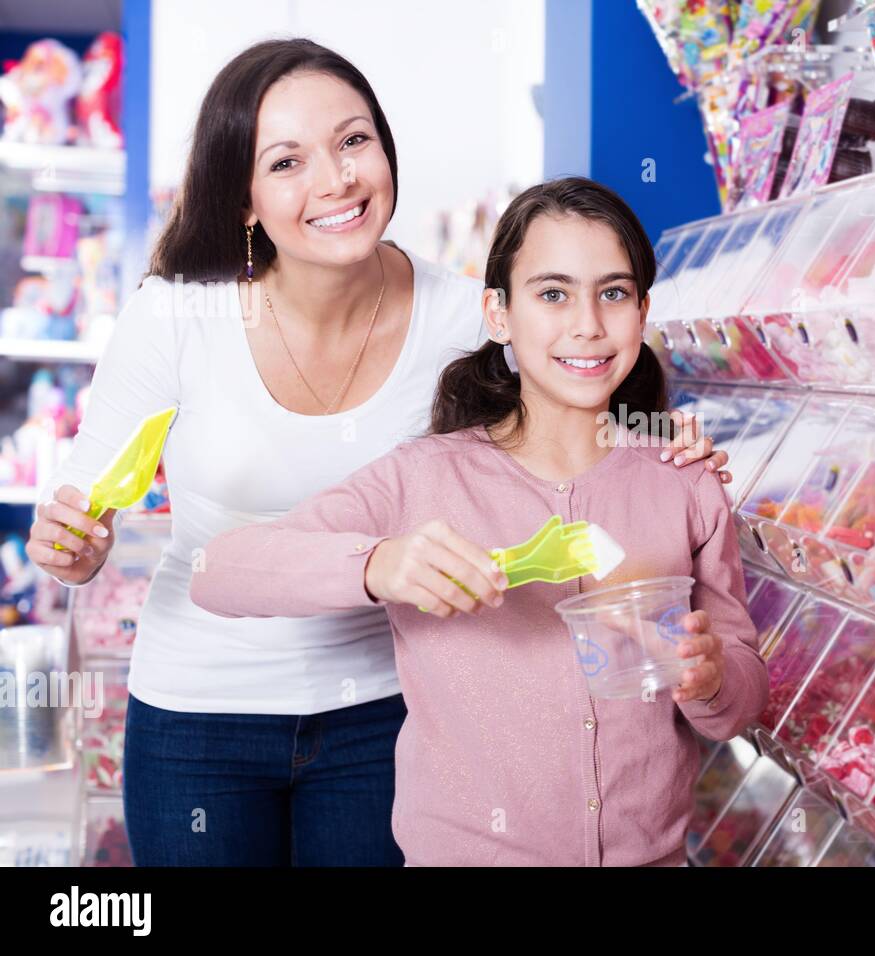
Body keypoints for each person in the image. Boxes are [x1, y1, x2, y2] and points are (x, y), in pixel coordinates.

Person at [25, 40, 729, 866]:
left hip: (381, 713)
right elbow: (84, 507)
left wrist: (666, 443)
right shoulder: (176, 315)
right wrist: (73, 547)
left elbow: (572, 390)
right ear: (244, 198)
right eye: (287, 161)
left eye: (354, 141)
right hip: (198, 712)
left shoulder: (460, 316)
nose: (336, 180)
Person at [190, 177, 768, 866]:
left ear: (642, 312)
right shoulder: (422, 478)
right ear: (498, 313)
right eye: (552, 294)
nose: (587, 323)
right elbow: (218, 573)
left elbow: (742, 697)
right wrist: (376, 566)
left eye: (612, 293)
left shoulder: (685, 481)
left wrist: (708, 680)